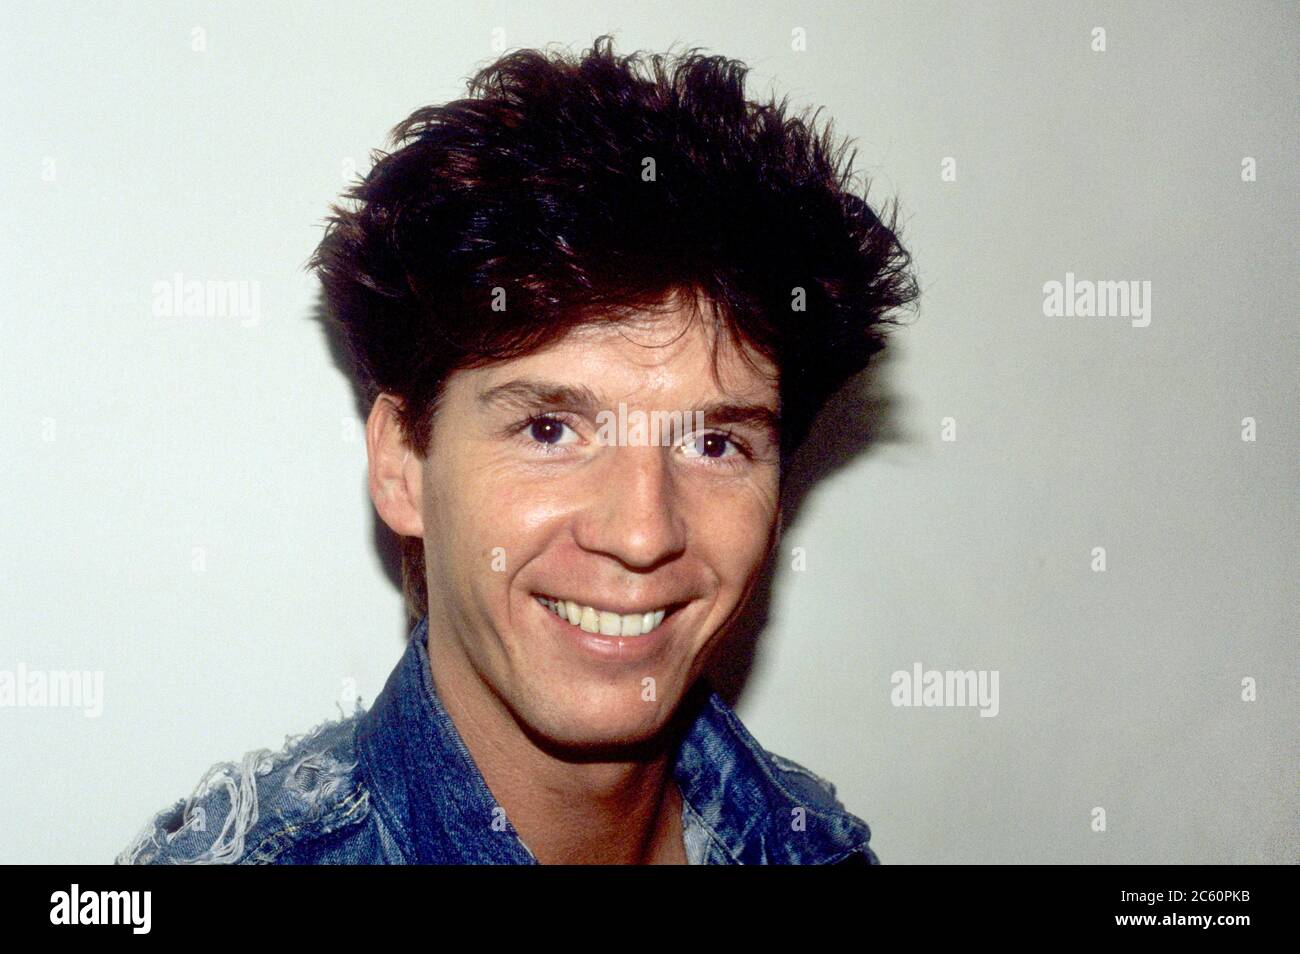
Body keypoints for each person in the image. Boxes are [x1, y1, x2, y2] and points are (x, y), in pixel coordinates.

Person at [116, 34, 918, 865]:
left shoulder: (812, 841)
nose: (643, 534)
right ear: (402, 463)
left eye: (714, 443)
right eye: (549, 430)